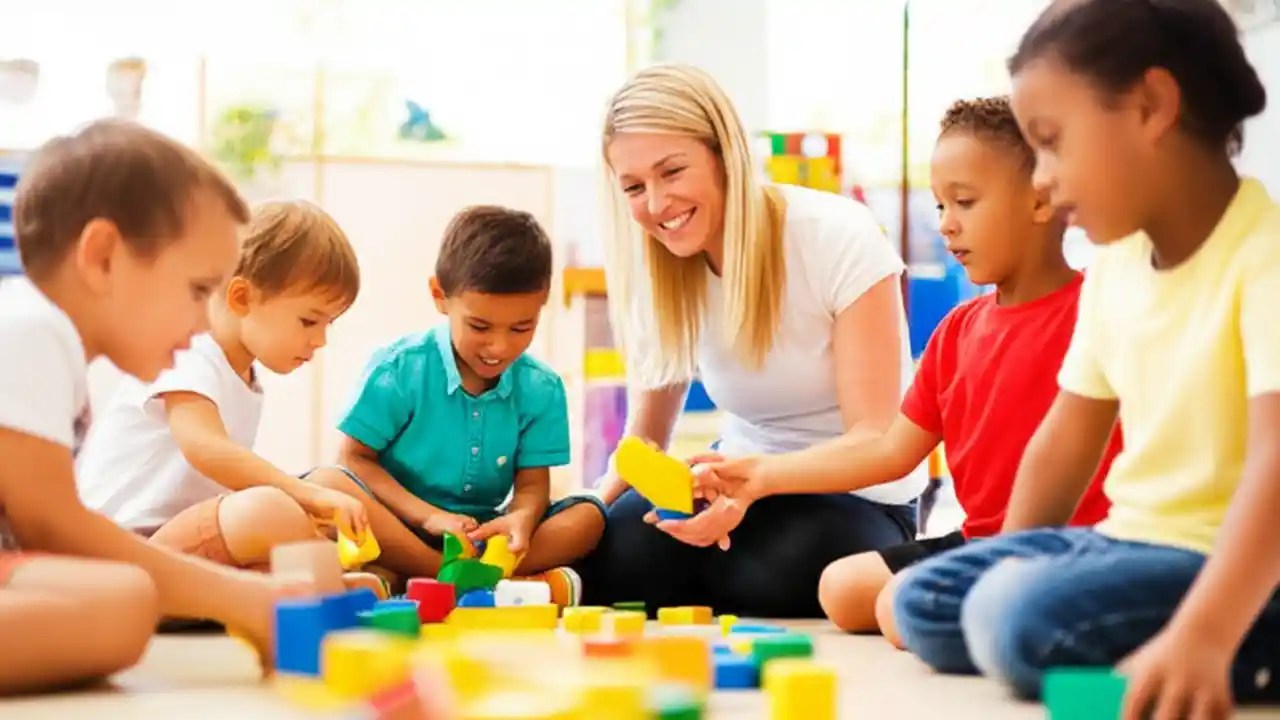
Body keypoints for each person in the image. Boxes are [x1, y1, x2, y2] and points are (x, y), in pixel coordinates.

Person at [890, 1, 1280, 717]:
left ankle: (1235, 641)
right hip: (1128, 544)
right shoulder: (1119, 266)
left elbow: (1276, 464)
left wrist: (1203, 633)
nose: (1040, 178)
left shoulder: (1264, 259)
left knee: (1012, 617)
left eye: (1051, 143)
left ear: (1151, 108)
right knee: (926, 598)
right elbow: (1064, 441)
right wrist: (1005, 558)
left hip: (1241, 564)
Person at [697, 96, 1119, 641]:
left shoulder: (1102, 309)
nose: (946, 226)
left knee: (902, 607)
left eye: (964, 202)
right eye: (940, 206)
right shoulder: (957, 332)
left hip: (1080, 544)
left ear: (1042, 200)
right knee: (843, 589)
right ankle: (990, 613)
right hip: (980, 542)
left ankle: (1012, 618)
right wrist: (760, 474)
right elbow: (889, 451)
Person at [575, 63, 926, 618]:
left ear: (723, 154)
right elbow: (643, 444)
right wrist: (588, 509)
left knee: (784, 565)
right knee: (615, 555)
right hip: (736, 479)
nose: (658, 204)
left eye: (672, 172)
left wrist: (756, 481)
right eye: (635, 187)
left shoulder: (838, 235)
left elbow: (876, 439)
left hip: (856, 495)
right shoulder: (658, 263)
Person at [0, 120, 301, 690]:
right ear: (103, 257)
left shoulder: (47, 343)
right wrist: (246, 600)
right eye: (197, 291)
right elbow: (53, 525)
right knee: (123, 604)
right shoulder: (30, 330)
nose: (203, 321)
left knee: (125, 597)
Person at [309, 205, 606, 604]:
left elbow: (533, 484)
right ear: (440, 296)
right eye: (480, 326)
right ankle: (452, 577)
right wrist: (427, 517)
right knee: (326, 484)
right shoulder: (399, 369)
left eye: (522, 327)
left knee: (588, 517)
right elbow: (354, 459)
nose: (499, 347)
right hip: (401, 523)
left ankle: (419, 580)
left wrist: (520, 518)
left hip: (483, 536)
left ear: (542, 304)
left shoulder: (542, 388)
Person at [76, 200, 368, 570]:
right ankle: (301, 579)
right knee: (270, 510)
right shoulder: (188, 349)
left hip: (176, 538)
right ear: (241, 297)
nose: (321, 340)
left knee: (329, 491)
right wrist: (304, 496)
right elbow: (205, 447)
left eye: (329, 324)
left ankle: (291, 581)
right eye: (309, 321)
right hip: (123, 543)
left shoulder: (242, 372)